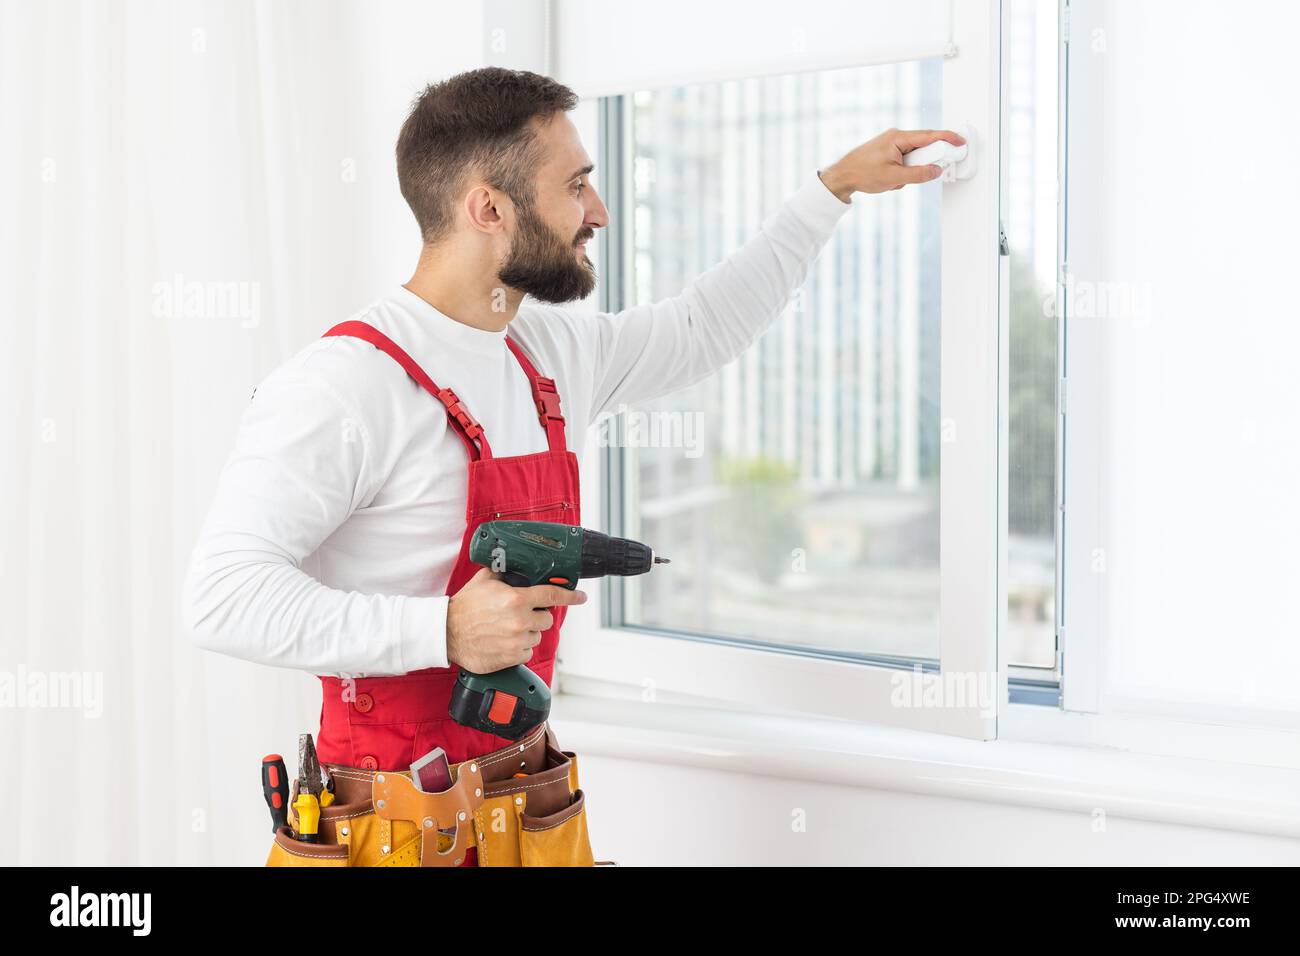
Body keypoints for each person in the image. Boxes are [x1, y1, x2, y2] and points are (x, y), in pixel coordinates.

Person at [183, 66, 961, 777]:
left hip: (527, 792)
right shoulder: (345, 385)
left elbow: (702, 328)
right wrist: (442, 631)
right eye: (577, 185)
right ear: (488, 207)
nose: (600, 212)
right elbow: (221, 597)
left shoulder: (542, 349)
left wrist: (831, 191)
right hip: (389, 819)